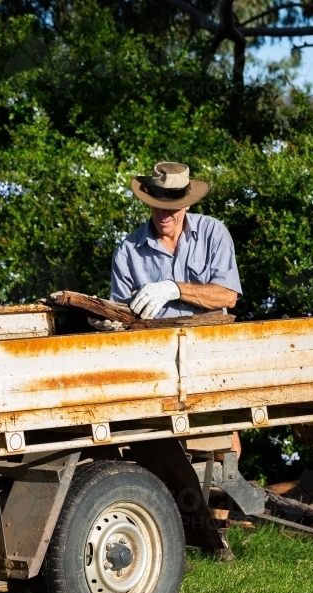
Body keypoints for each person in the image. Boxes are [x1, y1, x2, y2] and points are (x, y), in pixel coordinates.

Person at [109, 161, 244, 458]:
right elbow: (119, 315)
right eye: (157, 205)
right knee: (161, 456)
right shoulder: (128, 251)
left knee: (223, 451)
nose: (163, 214)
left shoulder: (213, 234)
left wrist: (174, 288)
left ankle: (220, 504)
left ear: (185, 205)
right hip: (155, 367)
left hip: (209, 360)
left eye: (171, 207)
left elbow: (228, 296)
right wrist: (109, 320)